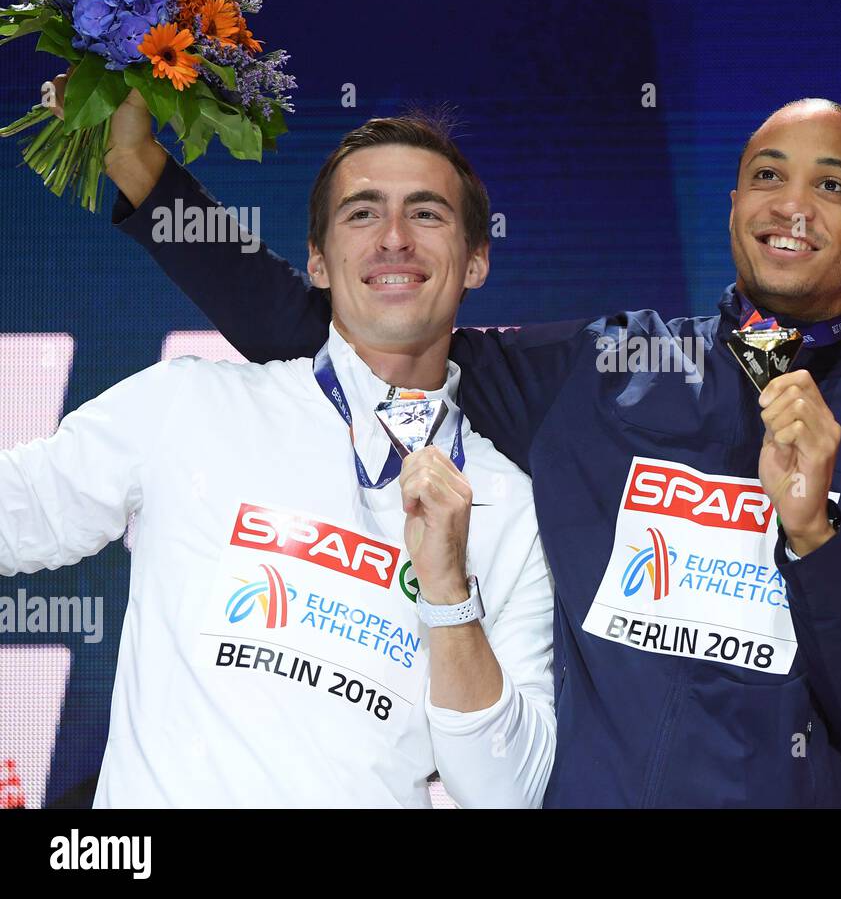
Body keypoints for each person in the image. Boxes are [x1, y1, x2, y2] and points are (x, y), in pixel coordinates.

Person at [101, 92, 841, 807]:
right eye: (767, 176)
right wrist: (148, 178)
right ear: (735, 206)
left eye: (830, 185)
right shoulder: (611, 371)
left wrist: (814, 537)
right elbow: (357, 341)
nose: (791, 205)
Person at [0, 106, 556, 807]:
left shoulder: (510, 506)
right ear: (317, 260)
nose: (394, 237)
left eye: (426, 214)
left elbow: (509, 792)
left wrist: (448, 596)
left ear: (476, 259)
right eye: (362, 214)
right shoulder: (189, 402)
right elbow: (16, 515)